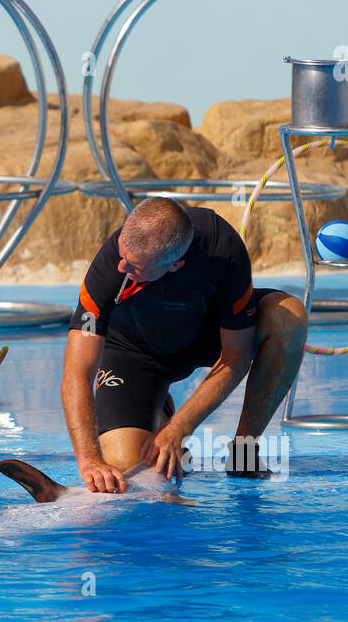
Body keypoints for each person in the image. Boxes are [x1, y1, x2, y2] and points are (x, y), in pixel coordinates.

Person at [63, 198, 308, 492]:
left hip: (206, 336)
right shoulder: (109, 267)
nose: (121, 266)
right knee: (124, 469)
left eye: (135, 266)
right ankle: (155, 409)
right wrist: (89, 459)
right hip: (133, 355)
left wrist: (181, 428)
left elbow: (236, 356)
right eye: (122, 255)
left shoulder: (224, 251)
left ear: (175, 264)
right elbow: (77, 371)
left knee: (289, 316)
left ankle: (244, 453)